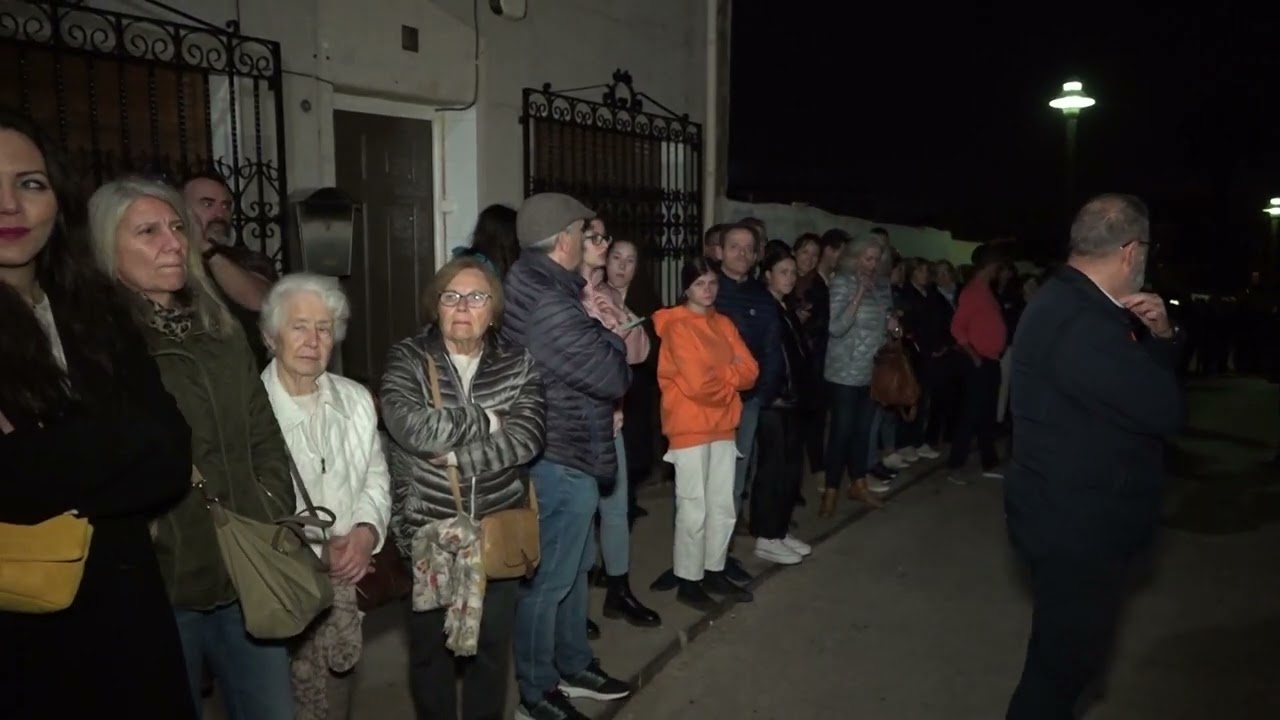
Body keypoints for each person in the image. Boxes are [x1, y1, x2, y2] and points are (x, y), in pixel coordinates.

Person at [0, 108, 196, 719]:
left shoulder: (96, 310)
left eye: (30, 183)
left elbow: (170, 454)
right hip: (22, 632)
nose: (10, 206)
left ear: (57, 198)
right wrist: (116, 445)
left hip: (126, 612)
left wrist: (47, 454)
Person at [88, 176, 297, 719]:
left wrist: (268, 504)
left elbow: (263, 432)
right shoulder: (101, 344)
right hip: (161, 587)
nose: (174, 242)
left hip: (245, 567)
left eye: (177, 227)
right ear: (108, 248)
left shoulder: (219, 329)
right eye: (149, 231)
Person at [1005, 194, 1184, 719]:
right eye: (1146, 248)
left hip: (1056, 511)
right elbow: (1164, 410)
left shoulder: (1063, 299)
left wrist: (1161, 337)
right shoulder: (1085, 321)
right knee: (1060, 673)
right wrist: (1161, 342)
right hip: (1076, 526)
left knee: (1061, 664)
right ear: (1131, 251)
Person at [380, 255, 546, 720]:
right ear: (435, 307)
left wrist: (457, 455)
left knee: (491, 653)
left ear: (494, 310)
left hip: (496, 530)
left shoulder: (518, 363)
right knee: (430, 653)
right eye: (450, 296)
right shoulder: (408, 358)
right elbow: (411, 427)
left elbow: (528, 437)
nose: (462, 306)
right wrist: (490, 419)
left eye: (476, 297)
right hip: (429, 533)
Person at [502, 193, 633, 720]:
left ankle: (573, 663)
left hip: (568, 447)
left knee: (574, 569)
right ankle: (536, 693)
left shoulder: (543, 285)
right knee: (547, 582)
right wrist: (612, 336)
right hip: (561, 452)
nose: (589, 241)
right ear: (563, 242)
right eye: (583, 232)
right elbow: (613, 375)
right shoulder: (551, 302)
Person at [258, 273, 391, 720]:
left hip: (345, 586)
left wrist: (366, 534)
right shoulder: (251, 410)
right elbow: (251, 507)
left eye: (323, 328)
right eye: (299, 326)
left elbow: (375, 474)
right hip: (281, 588)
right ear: (270, 336)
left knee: (338, 696)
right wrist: (318, 553)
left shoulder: (355, 400)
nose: (313, 340)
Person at [653, 257, 759, 609]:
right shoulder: (678, 327)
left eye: (713, 283)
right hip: (689, 426)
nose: (708, 290)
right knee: (693, 507)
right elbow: (698, 385)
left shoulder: (724, 324)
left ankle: (713, 568)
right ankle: (689, 578)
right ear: (686, 288)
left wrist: (724, 376)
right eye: (700, 283)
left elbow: (751, 371)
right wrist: (729, 377)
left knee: (722, 505)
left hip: (723, 425)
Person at [579, 220, 661, 629]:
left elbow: (640, 349)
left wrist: (620, 321)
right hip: (574, 423)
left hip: (611, 418)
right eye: (599, 241)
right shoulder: (572, 293)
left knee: (615, 507)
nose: (605, 246)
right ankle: (572, 610)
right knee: (578, 512)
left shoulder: (605, 295)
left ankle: (618, 589)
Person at [820, 234, 891, 516]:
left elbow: (883, 329)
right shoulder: (842, 282)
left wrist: (892, 326)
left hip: (872, 370)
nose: (872, 264)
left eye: (877, 259)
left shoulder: (882, 287)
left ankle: (858, 484)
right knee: (842, 432)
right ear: (855, 257)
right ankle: (830, 490)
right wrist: (859, 293)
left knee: (863, 432)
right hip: (844, 371)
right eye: (867, 258)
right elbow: (836, 327)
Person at [751, 247, 814, 565]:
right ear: (767, 275)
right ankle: (765, 535)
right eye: (783, 272)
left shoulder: (785, 306)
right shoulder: (764, 307)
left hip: (792, 399)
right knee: (772, 468)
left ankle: (779, 529)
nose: (790, 277)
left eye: (792, 272)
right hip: (774, 400)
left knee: (790, 468)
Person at [946, 244, 1008, 484]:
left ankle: (989, 461)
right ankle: (955, 465)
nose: (998, 271)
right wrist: (973, 355)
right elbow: (957, 327)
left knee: (986, 414)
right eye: (997, 266)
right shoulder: (973, 291)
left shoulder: (985, 290)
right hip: (978, 360)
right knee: (970, 414)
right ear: (990, 265)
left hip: (990, 360)